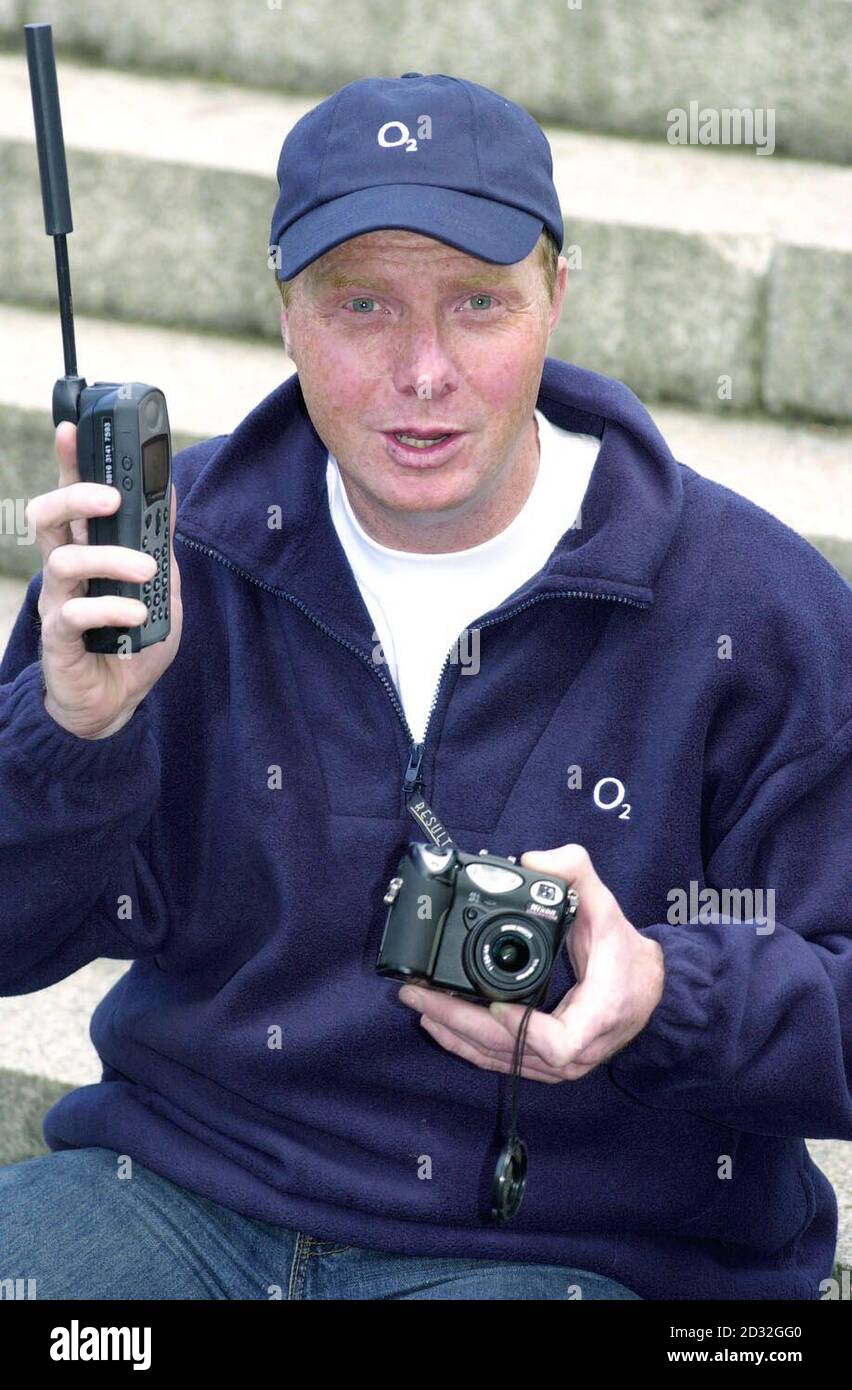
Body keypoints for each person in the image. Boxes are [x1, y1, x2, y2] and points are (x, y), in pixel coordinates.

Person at [0, 72, 850, 1302]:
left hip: (563, 1253)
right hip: (184, 1199)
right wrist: (71, 732)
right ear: (285, 314)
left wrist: (669, 992)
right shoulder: (163, 564)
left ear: (558, 296)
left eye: (478, 304)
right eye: (361, 306)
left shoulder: (754, 609)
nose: (424, 371)